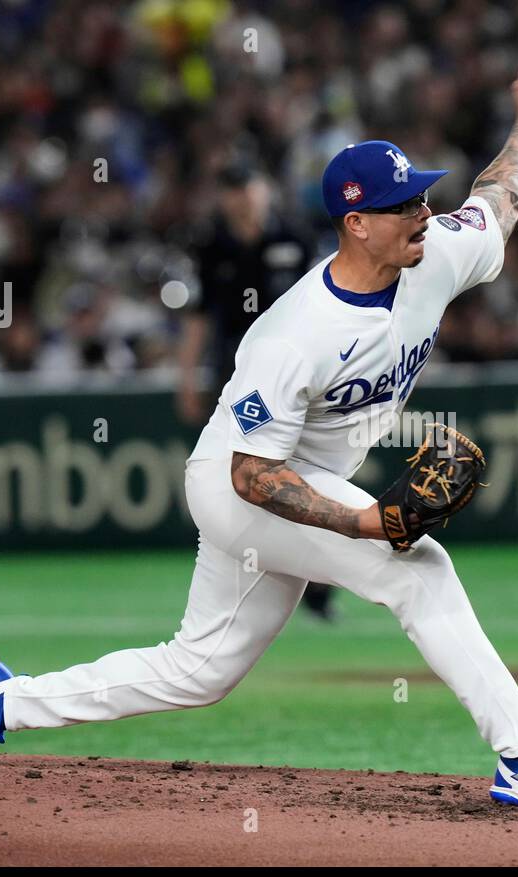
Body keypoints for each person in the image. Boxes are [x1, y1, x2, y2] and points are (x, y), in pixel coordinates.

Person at [0, 64, 518, 813]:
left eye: (423, 196)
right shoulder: (296, 333)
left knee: (199, 670)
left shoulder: (436, 253)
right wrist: (365, 522)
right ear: (356, 223)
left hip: (289, 478)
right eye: (403, 204)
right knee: (417, 567)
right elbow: (250, 474)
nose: (424, 213)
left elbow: (500, 199)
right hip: (239, 483)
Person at [176, 161, 338, 620]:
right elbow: (198, 317)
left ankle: (319, 589)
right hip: (234, 380)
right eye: (231, 188)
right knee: (238, 480)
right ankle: (242, 584)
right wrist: (186, 377)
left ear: (263, 187)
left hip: (296, 381)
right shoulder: (210, 244)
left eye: (246, 184)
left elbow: (326, 304)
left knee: (308, 477)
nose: (241, 197)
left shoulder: (294, 235)